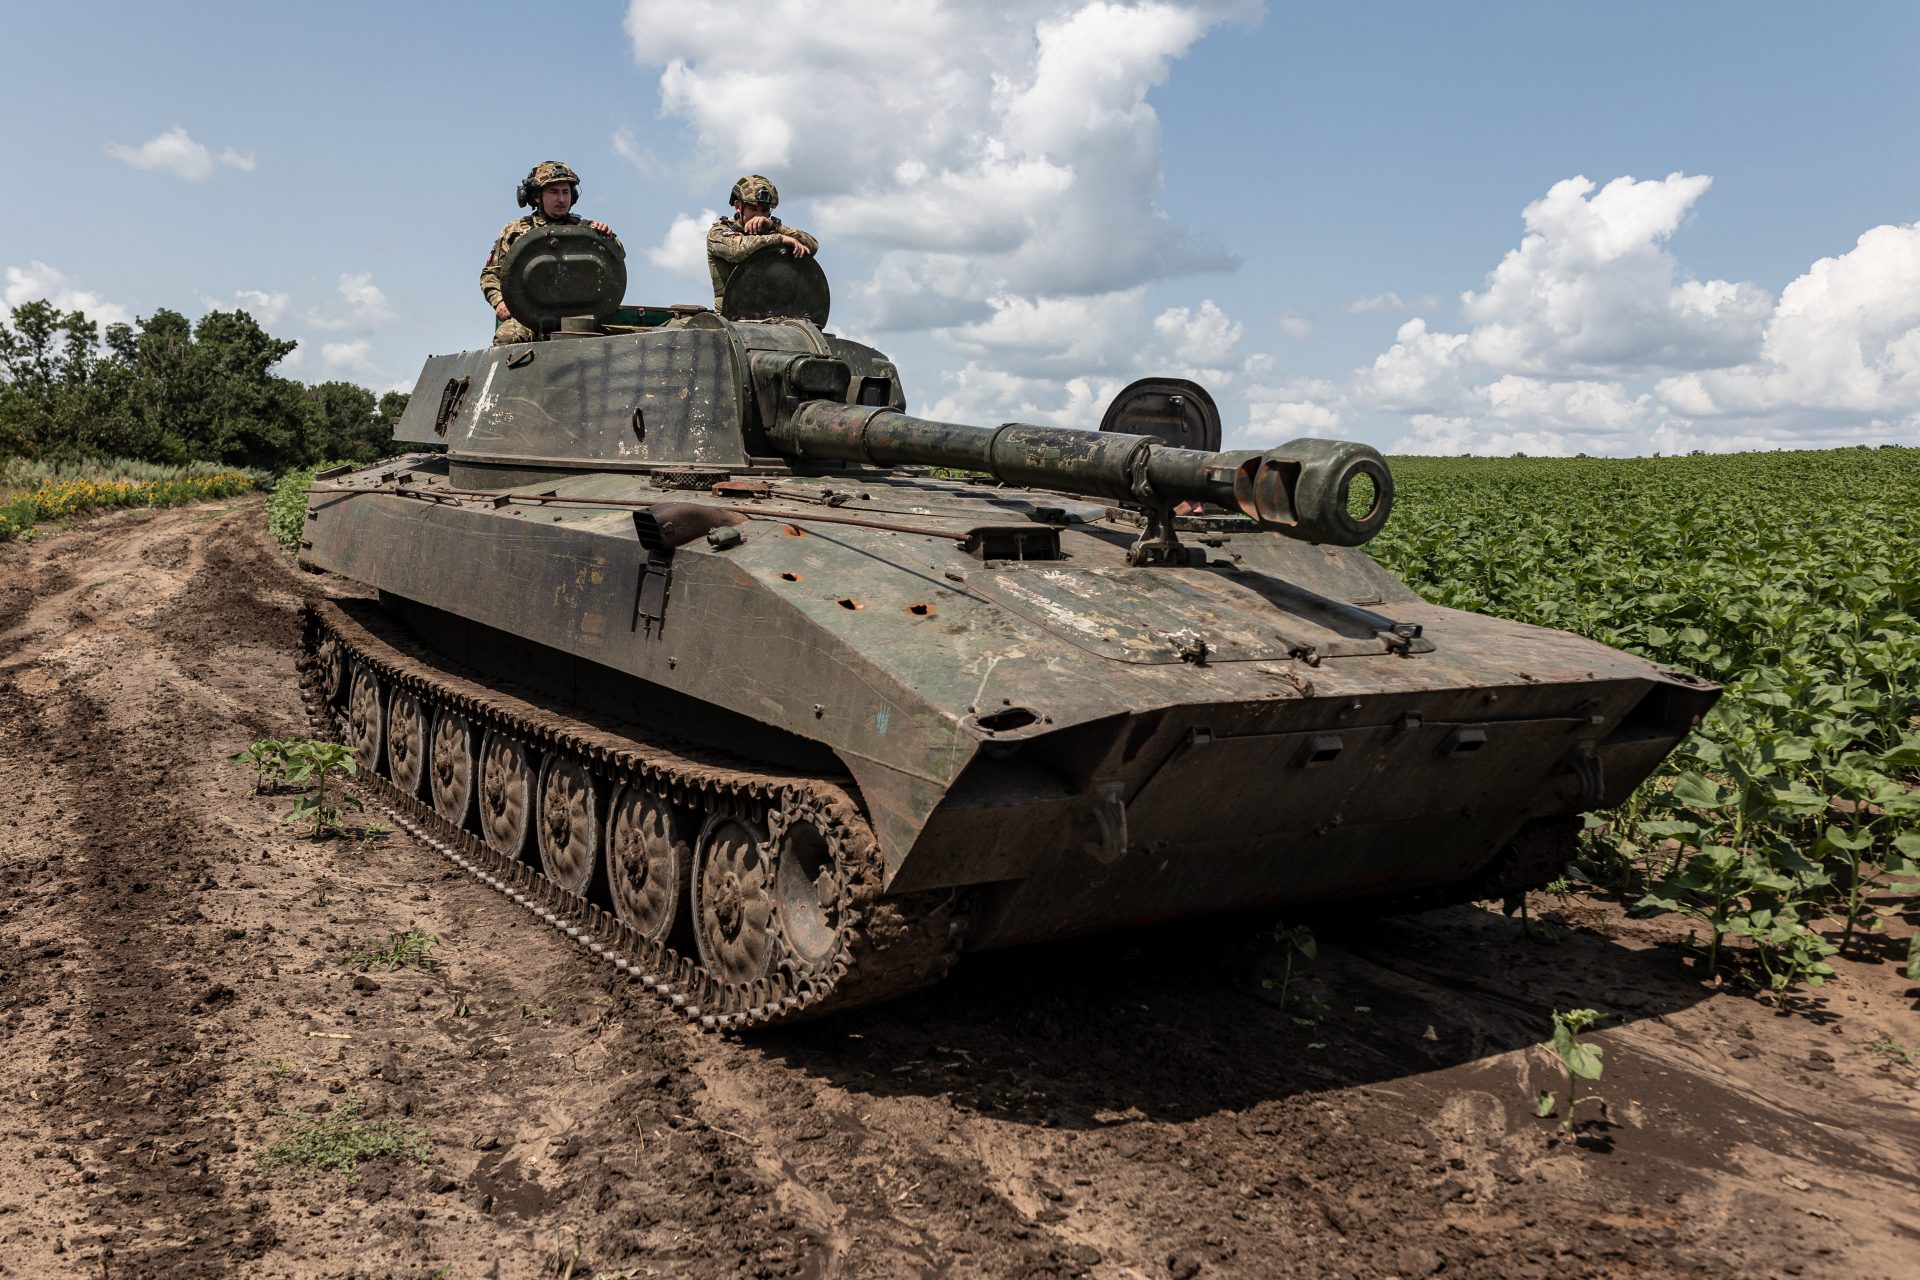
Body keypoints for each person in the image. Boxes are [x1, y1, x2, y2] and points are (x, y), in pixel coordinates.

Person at [480, 161, 621, 345]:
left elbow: (616, 263)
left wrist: (607, 237)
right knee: (507, 339)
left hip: (582, 317)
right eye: (554, 192)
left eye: (566, 192)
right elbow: (490, 275)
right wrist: (499, 301)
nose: (561, 199)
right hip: (529, 317)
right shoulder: (516, 232)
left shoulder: (587, 231)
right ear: (537, 196)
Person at [706, 175, 818, 313]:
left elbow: (812, 247)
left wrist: (775, 226)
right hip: (731, 316)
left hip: (774, 314)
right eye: (753, 209)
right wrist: (779, 239)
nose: (759, 216)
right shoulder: (718, 232)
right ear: (738, 206)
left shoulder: (772, 230)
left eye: (765, 210)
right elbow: (737, 250)